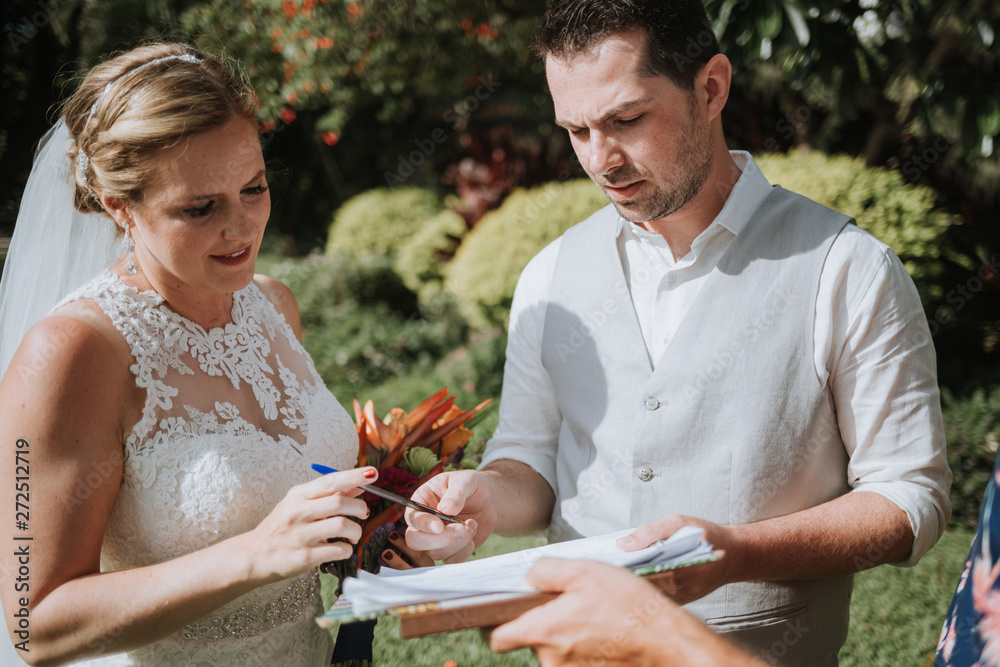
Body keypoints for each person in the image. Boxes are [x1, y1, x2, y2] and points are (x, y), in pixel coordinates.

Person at [405, 0, 952, 664]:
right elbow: (532, 464)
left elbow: (909, 500)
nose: (600, 160)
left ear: (712, 87)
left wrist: (740, 552)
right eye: (576, 130)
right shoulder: (548, 274)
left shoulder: (847, 268)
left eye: (626, 119)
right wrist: (484, 495)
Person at [0, 43, 372, 666]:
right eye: (199, 208)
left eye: (253, 188)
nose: (241, 227)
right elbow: (31, 621)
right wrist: (251, 555)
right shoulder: (73, 354)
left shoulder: (275, 307)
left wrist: (380, 534)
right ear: (121, 207)